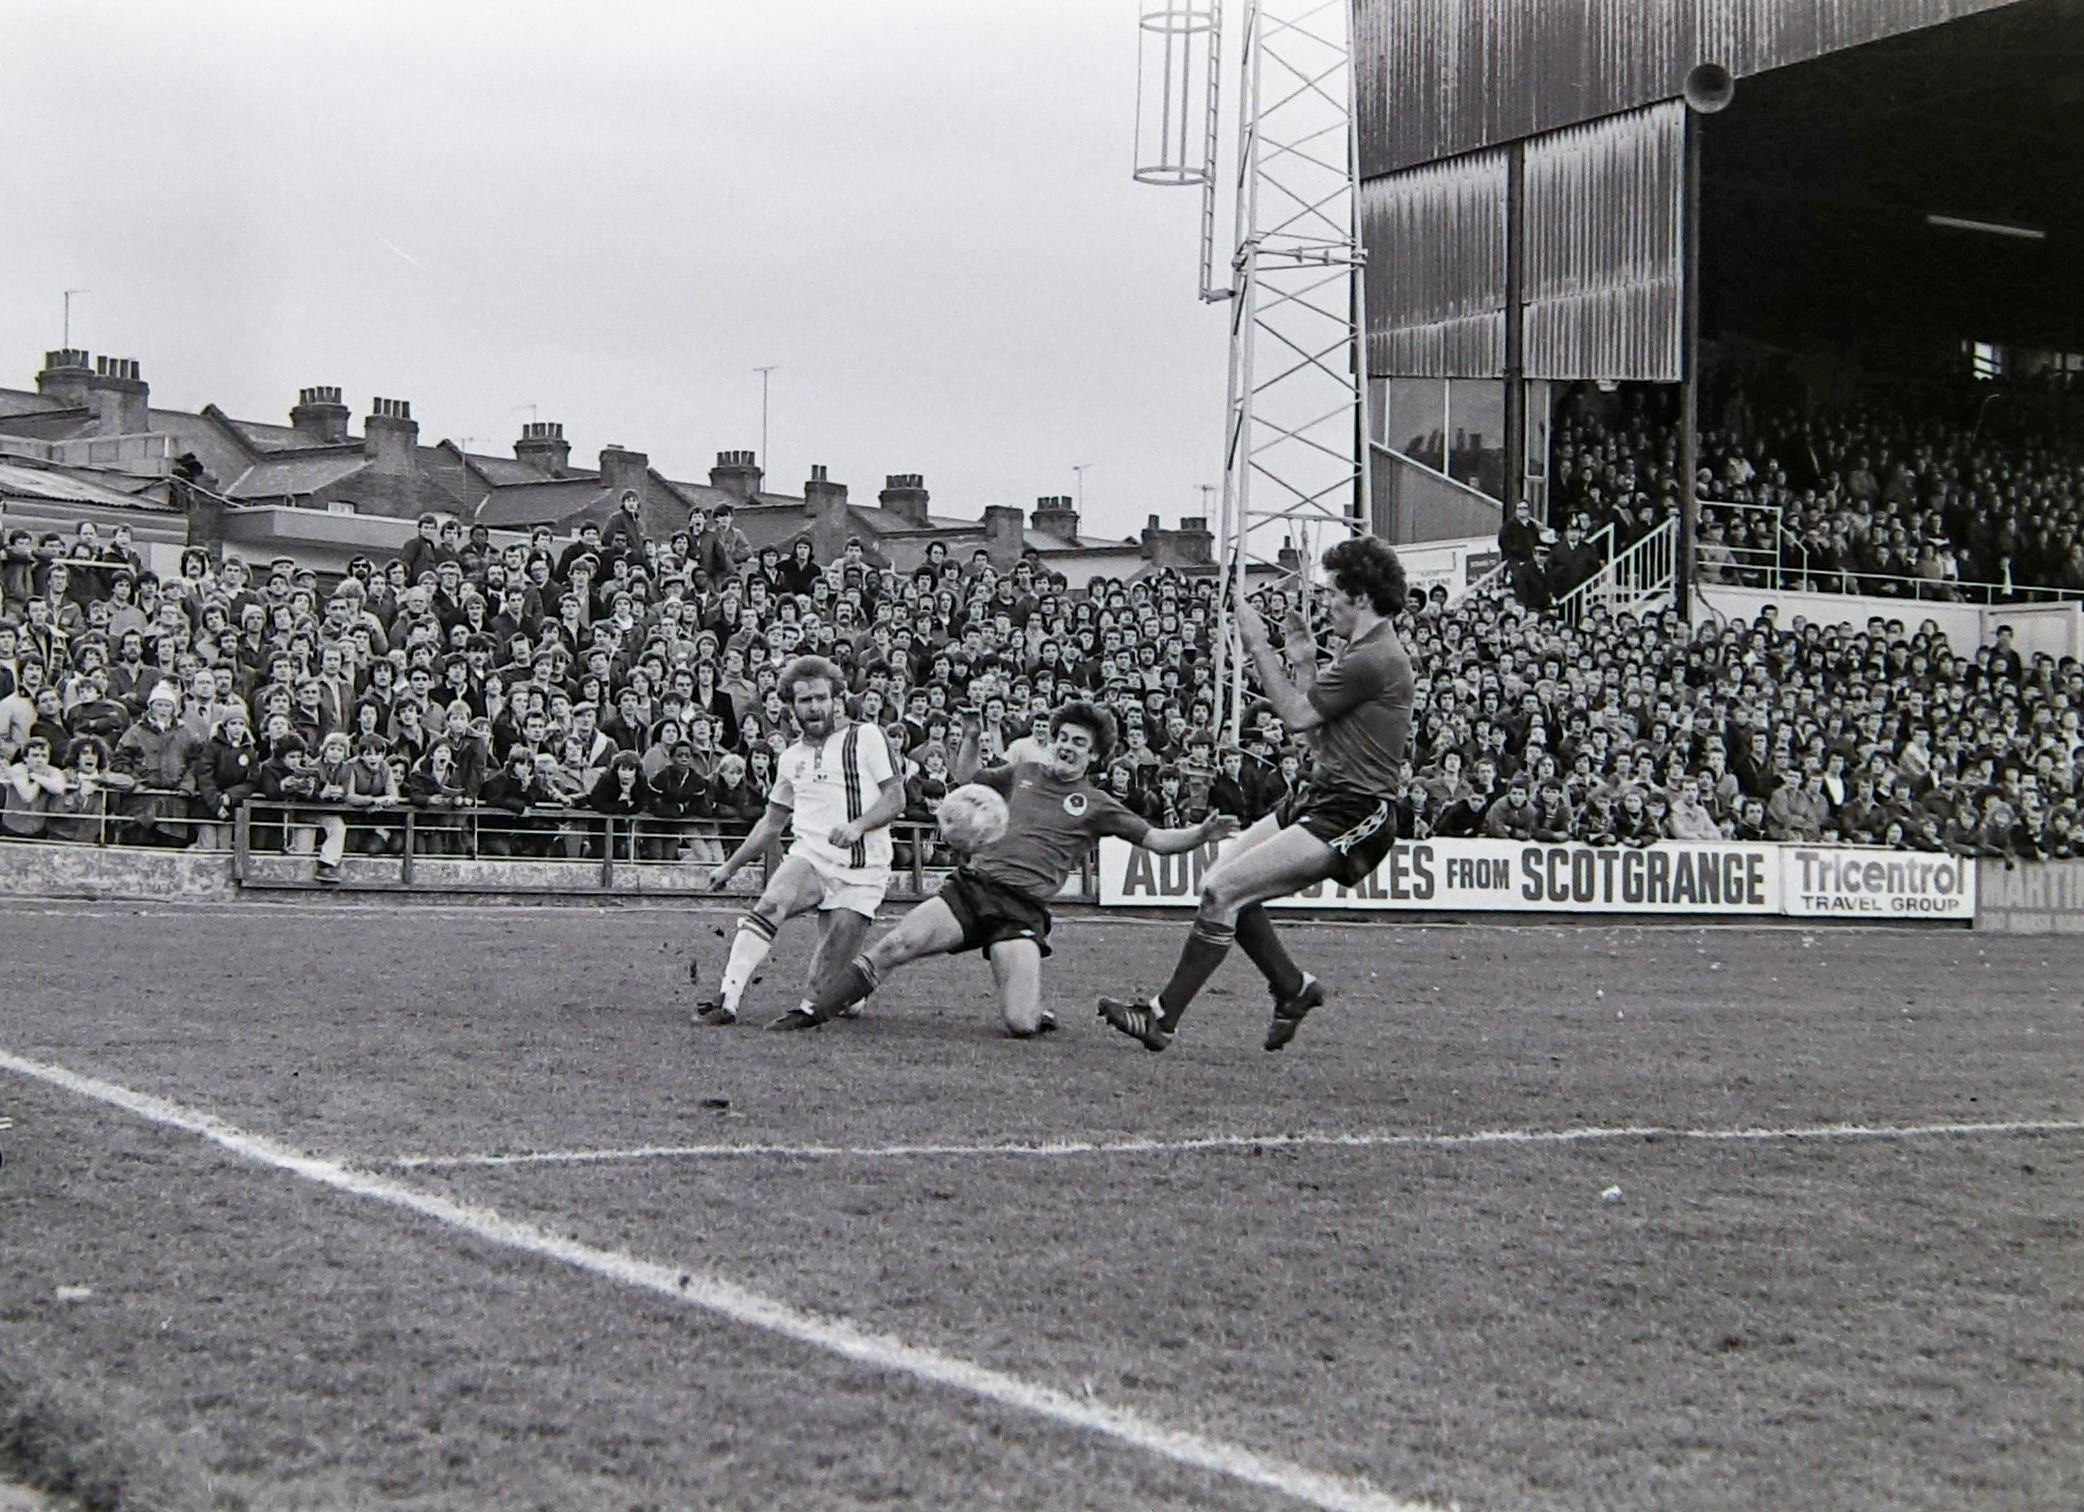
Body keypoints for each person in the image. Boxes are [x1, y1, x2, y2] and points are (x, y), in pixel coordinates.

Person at [1100, 536, 1414, 1053]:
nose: (1326, 602)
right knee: (1220, 886)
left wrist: (1257, 645)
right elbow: (1313, 736)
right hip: (1321, 795)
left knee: (1225, 890)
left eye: (1334, 592)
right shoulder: (1361, 652)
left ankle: (1161, 1018)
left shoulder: (1374, 657)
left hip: (1355, 811)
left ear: (1360, 597)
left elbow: (1292, 716)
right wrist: (1304, 661)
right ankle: (1293, 989)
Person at [788, 700, 1237, 1038]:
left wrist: (1200, 833)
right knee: (895, 944)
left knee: (1020, 1025)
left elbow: (1157, 841)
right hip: (972, 889)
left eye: (1081, 743)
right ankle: (812, 1012)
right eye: (1064, 737)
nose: (1069, 747)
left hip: (1022, 911)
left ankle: (1033, 1006)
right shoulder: (1024, 770)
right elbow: (969, 776)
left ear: (1095, 756)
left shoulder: (1099, 805)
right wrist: (968, 735)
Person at [692, 655, 907, 1028]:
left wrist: (857, 826)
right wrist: (729, 866)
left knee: (828, 990)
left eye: (821, 698)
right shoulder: (791, 758)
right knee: (773, 901)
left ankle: (848, 991)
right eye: (804, 700)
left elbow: (895, 797)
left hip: (863, 871)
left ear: (836, 699)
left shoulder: (867, 736)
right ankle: (727, 998)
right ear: (791, 706)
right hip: (811, 858)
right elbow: (771, 823)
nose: (814, 707)